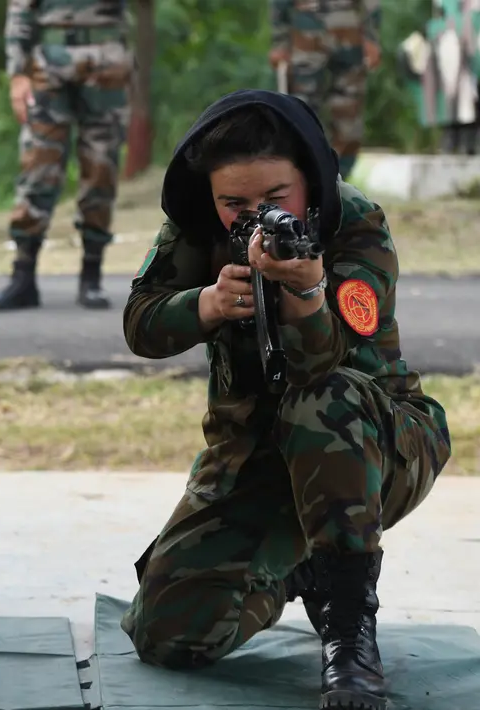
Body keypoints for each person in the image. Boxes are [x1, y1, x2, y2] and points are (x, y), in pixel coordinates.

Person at [118, 89, 451, 710]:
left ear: (310, 181)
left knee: (321, 399)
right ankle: (298, 568)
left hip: (378, 447)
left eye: (276, 198)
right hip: (257, 456)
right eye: (234, 204)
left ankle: (349, 632)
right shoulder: (196, 227)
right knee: (166, 635)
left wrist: (308, 293)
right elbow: (140, 325)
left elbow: (321, 367)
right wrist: (208, 304)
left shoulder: (355, 225)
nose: (257, 215)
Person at [0, 0, 131, 312]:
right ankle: (23, 275)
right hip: (48, 60)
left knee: (101, 166)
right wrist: (17, 71)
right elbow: (20, 6)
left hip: (106, 56)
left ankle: (92, 275)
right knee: (38, 165)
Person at [269, 0, 381, 181]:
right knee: (300, 110)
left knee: (349, 112)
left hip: (349, 31)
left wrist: (371, 37)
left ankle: (339, 181)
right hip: (306, 30)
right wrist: (280, 41)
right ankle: (304, 177)